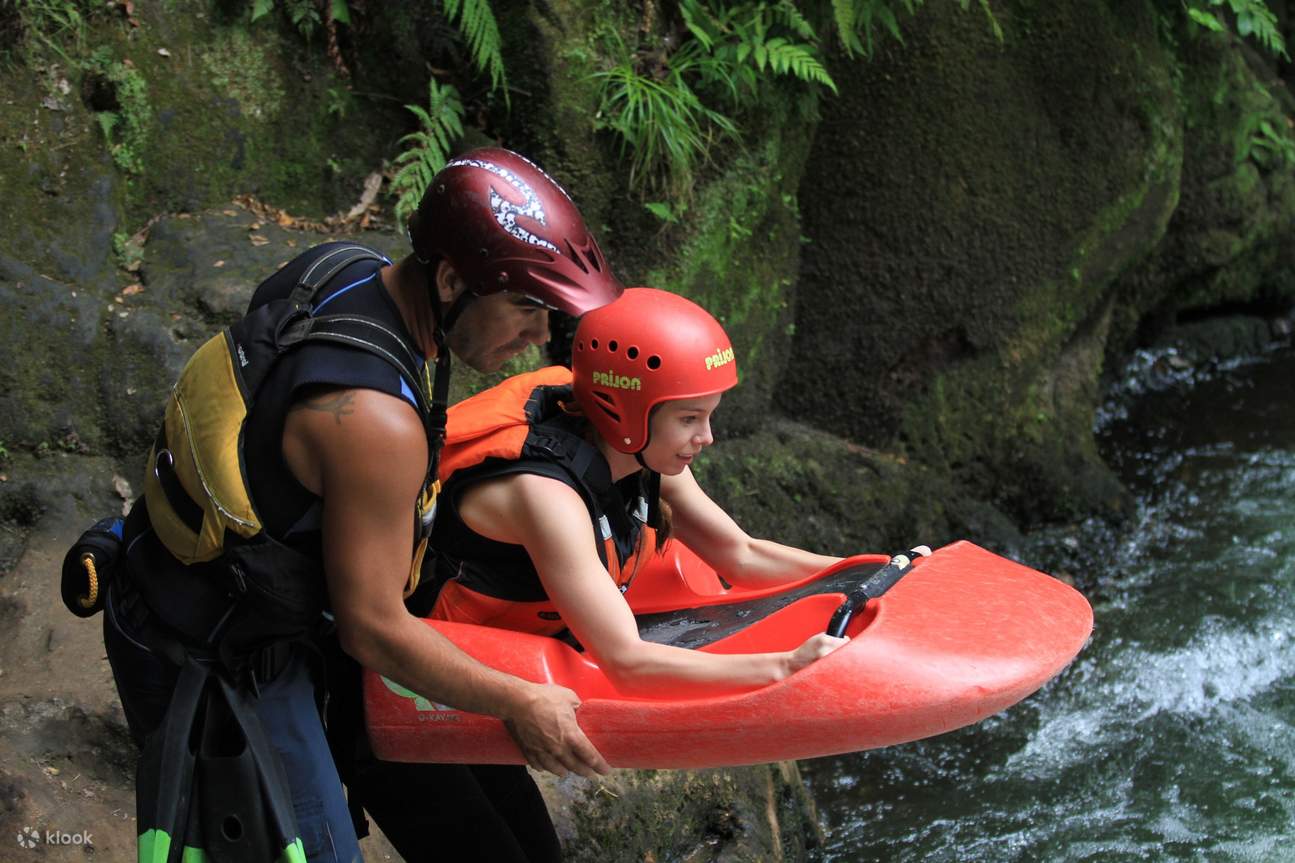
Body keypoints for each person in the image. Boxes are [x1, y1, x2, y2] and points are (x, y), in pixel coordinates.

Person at [101, 148, 622, 863]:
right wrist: (519, 701)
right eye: (527, 308)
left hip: (162, 577)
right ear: (449, 280)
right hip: (212, 652)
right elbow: (372, 631)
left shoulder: (339, 268)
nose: (537, 339)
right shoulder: (376, 424)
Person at [412, 288, 849, 848]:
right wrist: (786, 669)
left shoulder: (637, 446)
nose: (707, 437)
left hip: (483, 676)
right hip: (412, 682)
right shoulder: (544, 495)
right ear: (626, 411)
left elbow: (740, 555)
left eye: (709, 415)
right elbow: (627, 662)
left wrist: (868, 574)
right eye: (690, 418)